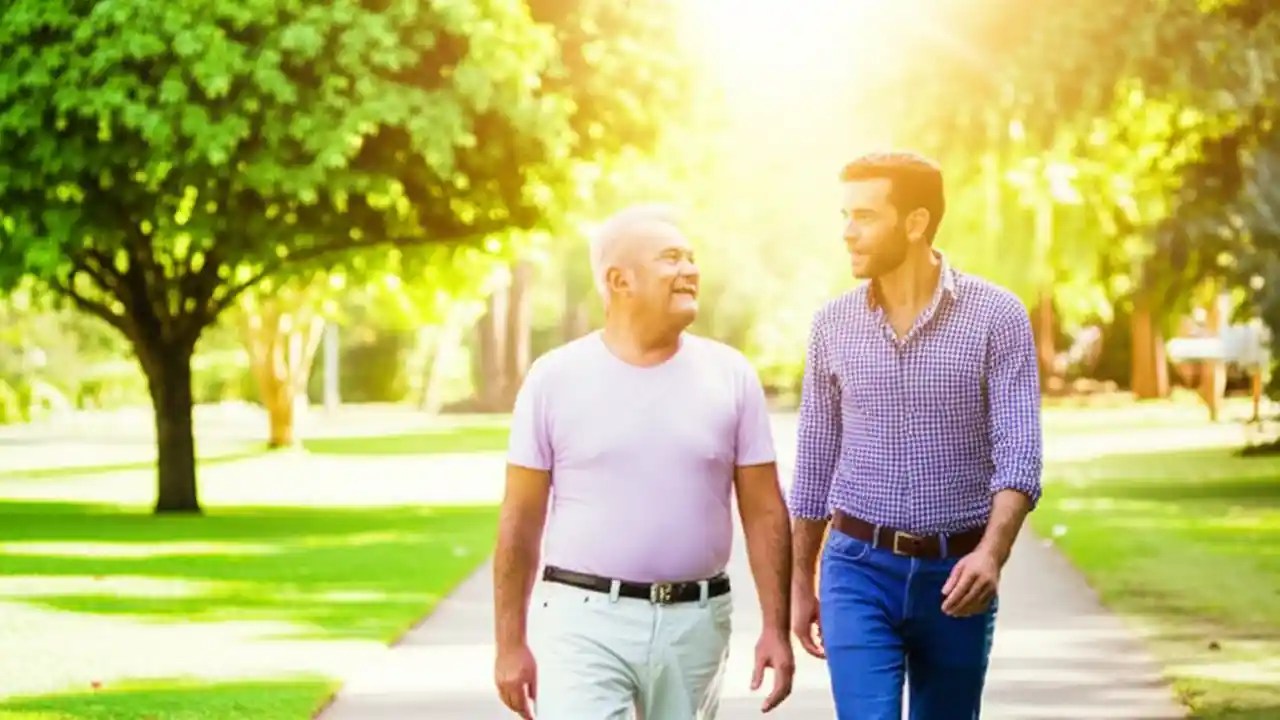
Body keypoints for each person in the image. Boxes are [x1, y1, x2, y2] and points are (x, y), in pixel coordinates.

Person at [492, 203, 796, 719]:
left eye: (691, 258)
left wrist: (775, 628)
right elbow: (520, 520)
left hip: (696, 623)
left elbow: (765, 510)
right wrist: (509, 644)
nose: (689, 270)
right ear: (620, 280)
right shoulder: (554, 378)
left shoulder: (730, 375)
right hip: (581, 619)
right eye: (671, 258)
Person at [788, 151, 1044, 719]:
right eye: (844, 215)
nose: (847, 233)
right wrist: (800, 584)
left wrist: (991, 556)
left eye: (864, 216)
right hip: (857, 569)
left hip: (957, 576)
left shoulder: (997, 317)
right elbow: (813, 466)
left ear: (915, 222)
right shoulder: (832, 325)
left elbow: (1020, 457)